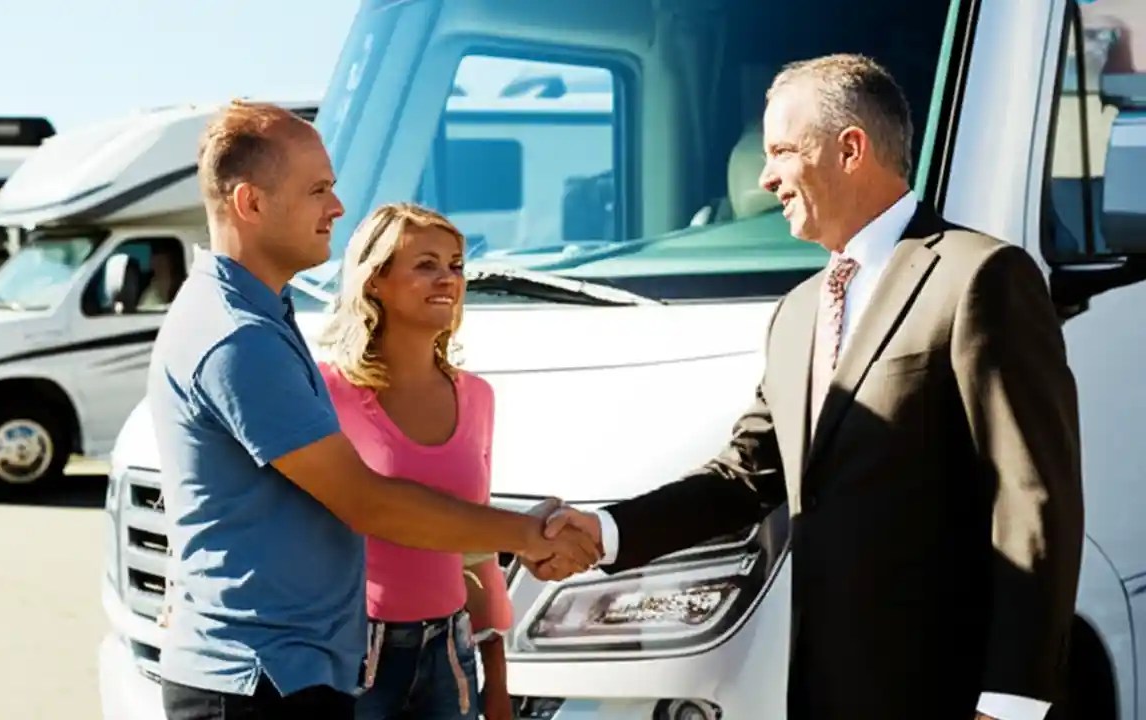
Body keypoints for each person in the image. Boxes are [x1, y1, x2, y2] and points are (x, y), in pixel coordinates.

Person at [539, 54, 1084, 720]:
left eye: (781, 151)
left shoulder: (980, 277)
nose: (764, 177)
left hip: (947, 692)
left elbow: (1032, 500)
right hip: (827, 689)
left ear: (850, 148)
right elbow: (745, 475)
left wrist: (1012, 701)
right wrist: (605, 530)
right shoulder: (798, 312)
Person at [146, 101, 598, 720]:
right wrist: (526, 533)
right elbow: (367, 502)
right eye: (319, 190)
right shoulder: (236, 337)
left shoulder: (256, 317)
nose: (337, 208)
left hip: (290, 672)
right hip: (258, 682)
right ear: (251, 204)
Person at [315, 202, 514, 719]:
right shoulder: (323, 392)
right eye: (426, 264)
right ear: (375, 280)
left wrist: (497, 680)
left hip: (451, 652)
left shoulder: (478, 397)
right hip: (354, 653)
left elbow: (478, 551)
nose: (447, 278)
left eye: (455, 265)